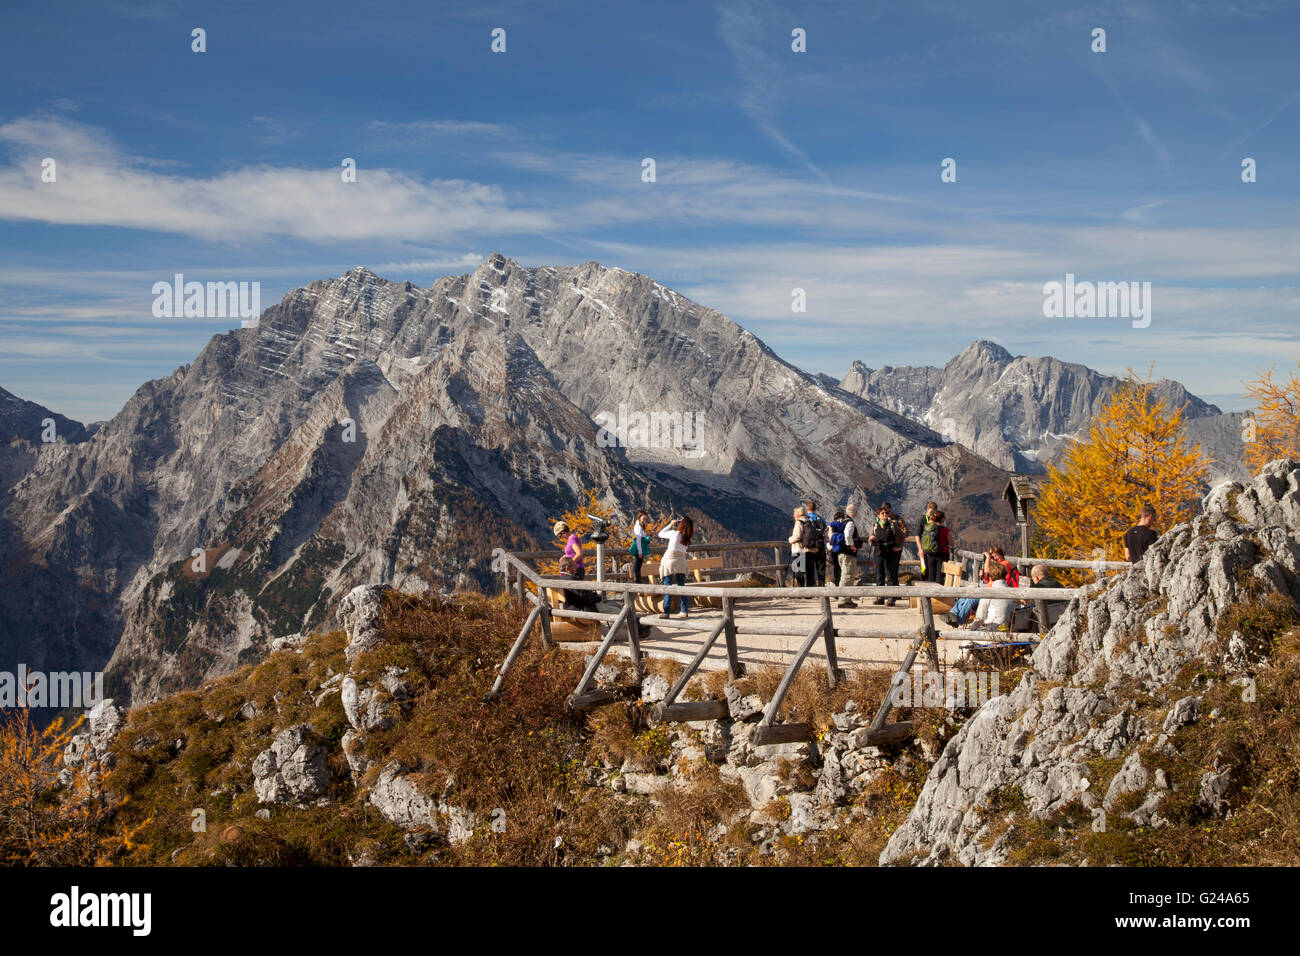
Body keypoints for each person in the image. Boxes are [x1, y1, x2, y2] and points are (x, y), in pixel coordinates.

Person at [557, 557, 650, 638]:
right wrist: (597, 597)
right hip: (582, 608)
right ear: (567, 568)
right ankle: (637, 628)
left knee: (614, 608)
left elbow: (582, 594)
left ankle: (636, 625)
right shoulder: (570, 580)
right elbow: (583, 596)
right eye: (573, 565)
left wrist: (594, 596)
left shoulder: (564, 578)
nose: (576, 566)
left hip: (579, 605)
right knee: (614, 611)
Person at [657, 515, 693, 617]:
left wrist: (671, 524)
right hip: (681, 562)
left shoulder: (674, 533)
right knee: (682, 587)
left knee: (667, 587)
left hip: (670, 561)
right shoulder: (687, 538)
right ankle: (684, 610)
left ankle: (666, 612)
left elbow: (660, 534)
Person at [868, 503, 901, 606]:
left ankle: (891, 599)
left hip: (891, 554)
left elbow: (902, 536)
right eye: (882, 513)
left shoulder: (893, 525)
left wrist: (899, 547)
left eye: (886, 513)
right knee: (879, 576)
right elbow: (870, 538)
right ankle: (880, 597)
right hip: (878, 553)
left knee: (890, 576)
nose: (885, 514)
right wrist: (871, 540)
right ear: (878, 515)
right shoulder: (875, 526)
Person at [829, 509, 858, 608]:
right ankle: (843, 600)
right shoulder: (849, 523)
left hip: (840, 553)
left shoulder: (841, 522)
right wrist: (852, 546)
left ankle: (847, 598)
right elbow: (847, 536)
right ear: (853, 513)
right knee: (847, 576)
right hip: (848, 553)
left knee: (847, 575)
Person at [973, 562, 1014, 630]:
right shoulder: (1014, 593)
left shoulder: (988, 593)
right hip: (1010, 631)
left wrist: (971, 630)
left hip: (992, 630)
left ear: (991, 576)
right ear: (1005, 575)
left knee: (967, 639)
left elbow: (979, 618)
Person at [1029, 564, 1068, 631]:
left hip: (1047, 623)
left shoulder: (1038, 587)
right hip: (1062, 619)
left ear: (1036, 578)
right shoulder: (1058, 584)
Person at [802, 500, 828, 588]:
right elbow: (825, 532)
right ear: (815, 509)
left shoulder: (805, 519)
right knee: (821, 569)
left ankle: (810, 590)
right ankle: (822, 589)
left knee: (809, 569)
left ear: (807, 509)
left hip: (809, 547)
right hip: (820, 546)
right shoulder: (821, 519)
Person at [915, 500, 943, 583]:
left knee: (933, 572)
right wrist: (920, 549)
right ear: (927, 509)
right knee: (925, 570)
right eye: (931, 512)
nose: (932, 514)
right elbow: (917, 535)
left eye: (934, 512)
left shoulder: (934, 520)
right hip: (925, 549)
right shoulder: (922, 519)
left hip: (933, 549)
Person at [629, 510, 652, 583]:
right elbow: (638, 540)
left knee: (639, 562)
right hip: (639, 548)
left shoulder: (641, 526)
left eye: (646, 519)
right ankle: (636, 579)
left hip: (641, 547)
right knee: (638, 562)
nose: (645, 520)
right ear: (639, 518)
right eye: (644, 518)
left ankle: (637, 579)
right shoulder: (638, 527)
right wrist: (640, 551)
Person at [788, 506, 807, 586]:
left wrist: (790, 539)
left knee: (798, 572)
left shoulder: (799, 522)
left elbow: (797, 537)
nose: (793, 515)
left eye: (794, 513)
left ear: (799, 514)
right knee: (804, 571)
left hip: (798, 549)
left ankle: (801, 591)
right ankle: (808, 591)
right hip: (807, 549)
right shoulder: (808, 520)